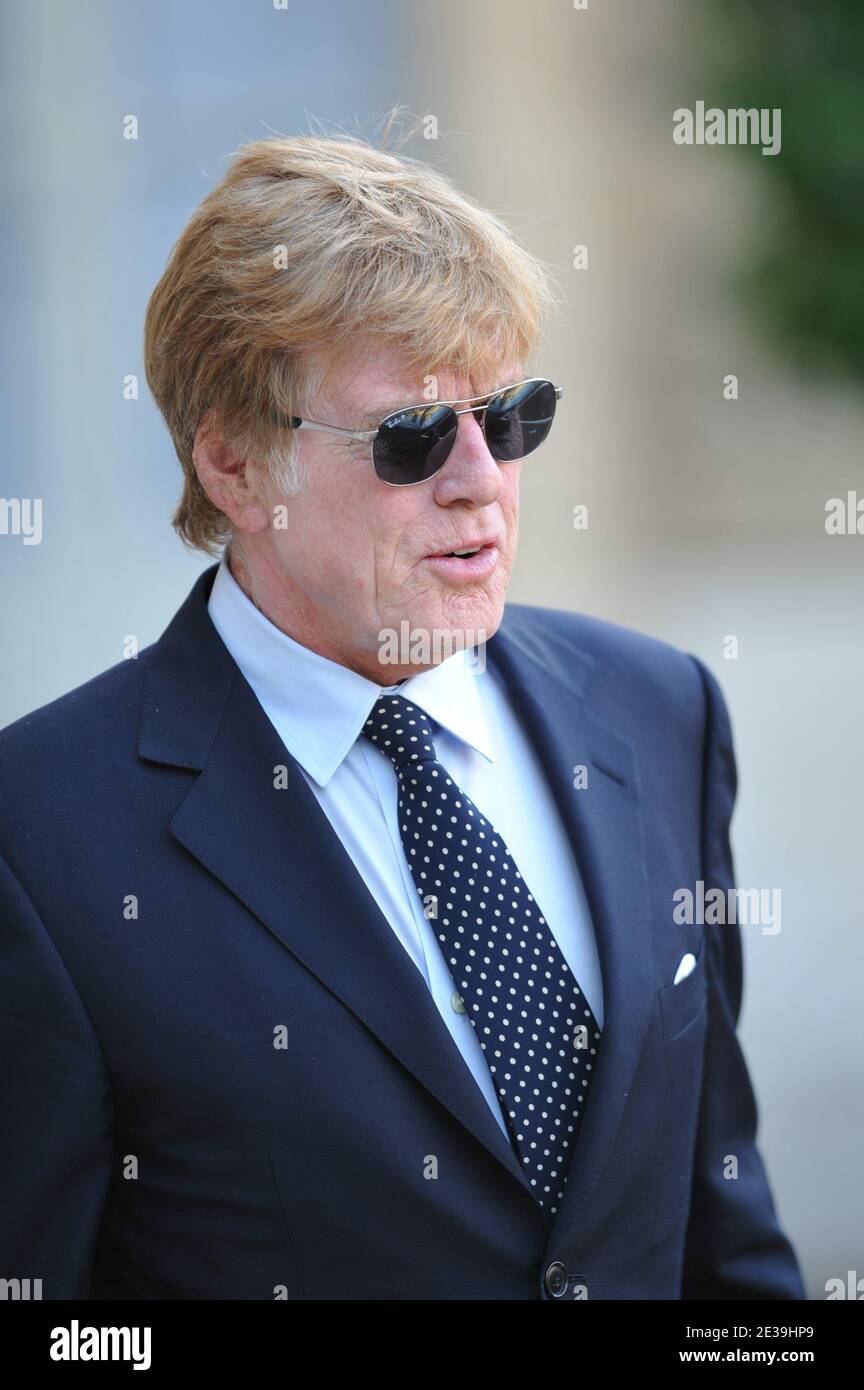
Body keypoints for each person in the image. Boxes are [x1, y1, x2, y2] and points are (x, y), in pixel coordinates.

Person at [0, 130, 805, 1300]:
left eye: (509, 415)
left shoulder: (660, 711)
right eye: (412, 437)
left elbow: (725, 1234)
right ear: (231, 465)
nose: (479, 476)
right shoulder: (41, 834)